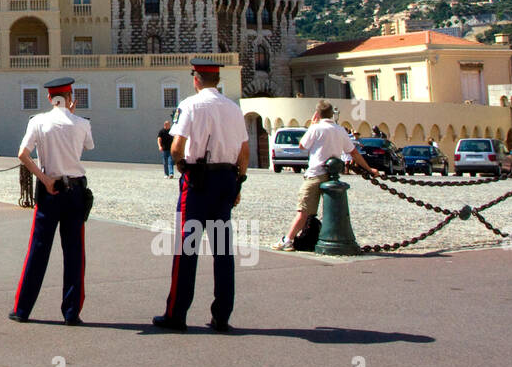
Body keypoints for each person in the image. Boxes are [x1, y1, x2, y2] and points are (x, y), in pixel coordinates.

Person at [153, 58, 249, 333]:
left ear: (196, 79)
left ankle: (177, 313)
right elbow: (244, 151)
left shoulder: (190, 105)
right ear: (217, 80)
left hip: (197, 181)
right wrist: (239, 183)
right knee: (222, 250)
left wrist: (183, 169)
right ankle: (221, 316)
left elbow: (176, 146)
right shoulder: (233, 108)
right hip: (226, 180)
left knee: (187, 249)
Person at [11, 77, 95, 326]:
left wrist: (45, 179)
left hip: (50, 191)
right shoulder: (82, 123)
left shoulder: (38, 121)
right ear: (71, 98)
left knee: (38, 250)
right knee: (74, 253)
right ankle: (71, 312)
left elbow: (22, 154)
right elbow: (88, 147)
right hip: (76, 192)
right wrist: (72, 117)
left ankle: (23, 309)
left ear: (49, 98)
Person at [273, 101, 373, 252]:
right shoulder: (340, 130)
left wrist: (313, 125)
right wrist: (369, 169)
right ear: (332, 114)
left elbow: (302, 146)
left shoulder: (316, 128)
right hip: (331, 176)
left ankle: (288, 240)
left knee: (303, 211)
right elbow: (353, 152)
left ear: (317, 114)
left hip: (315, 174)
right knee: (329, 211)